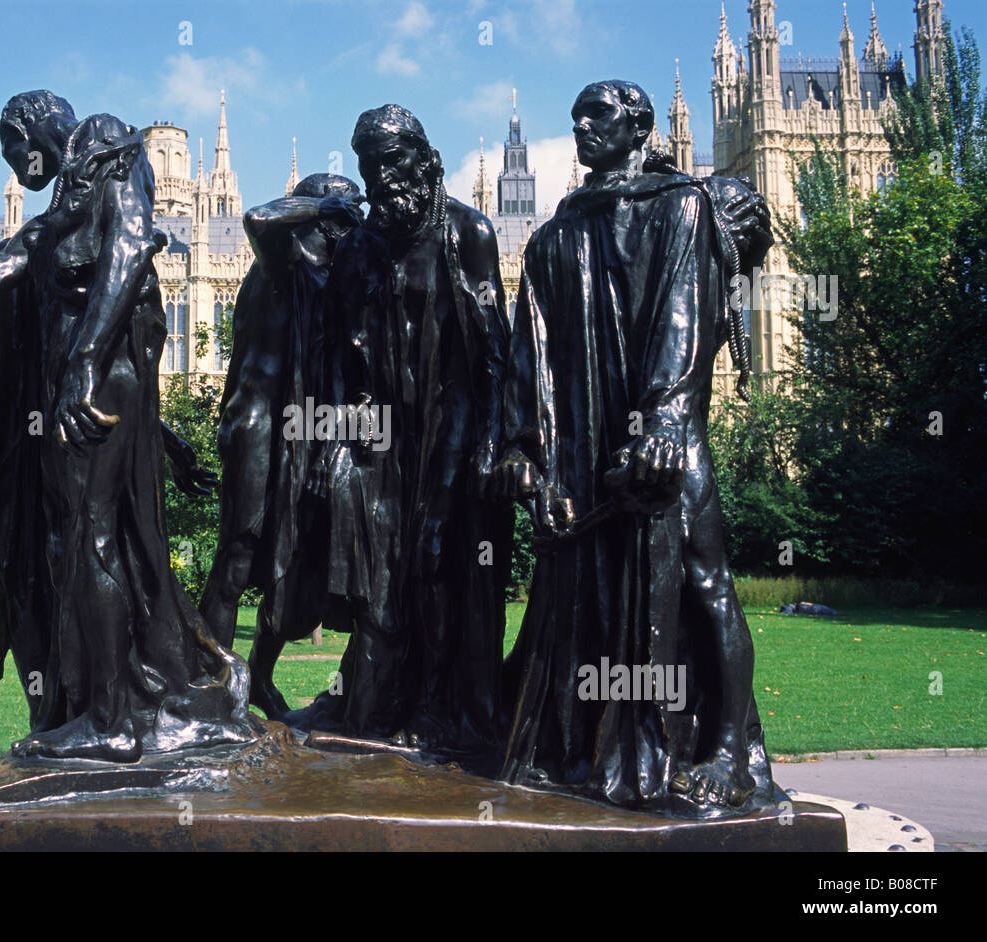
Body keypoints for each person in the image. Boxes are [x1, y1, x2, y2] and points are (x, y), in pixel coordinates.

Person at [0, 89, 253, 762]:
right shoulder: (57, 214)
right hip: (84, 392)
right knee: (80, 546)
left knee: (91, 542)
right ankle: (105, 703)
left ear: (29, 131)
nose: (16, 170)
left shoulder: (105, 144)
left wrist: (85, 364)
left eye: (15, 153)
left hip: (91, 392)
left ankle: (109, 724)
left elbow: (130, 250)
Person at [490, 80, 776, 813]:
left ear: (641, 126)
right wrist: (525, 449)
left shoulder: (682, 206)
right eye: (576, 117)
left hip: (665, 443)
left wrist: (666, 422)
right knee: (590, 596)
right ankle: (595, 739)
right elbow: (533, 355)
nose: (583, 127)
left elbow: (686, 316)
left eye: (600, 116)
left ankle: (728, 750)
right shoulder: (555, 237)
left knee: (705, 586)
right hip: (586, 456)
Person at [301, 104, 513, 756]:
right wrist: (332, 437)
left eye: (392, 159)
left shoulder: (466, 234)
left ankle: (451, 719)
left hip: (452, 435)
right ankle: (382, 708)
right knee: (383, 591)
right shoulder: (360, 249)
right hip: (381, 442)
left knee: (447, 572)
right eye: (368, 163)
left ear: (422, 159)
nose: (380, 175)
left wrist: (495, 445)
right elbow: (336, 359)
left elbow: (494, 353)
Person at [199, 172, 365, 717]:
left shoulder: (331, 275)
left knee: (292, 551)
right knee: (241, 549)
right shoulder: (278, 261)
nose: (348, 225)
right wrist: (319, 205)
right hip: (257, 425)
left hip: (303, 426)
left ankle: (262, 678)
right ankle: (210, 681)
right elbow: (258, 219)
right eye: (338, 215)